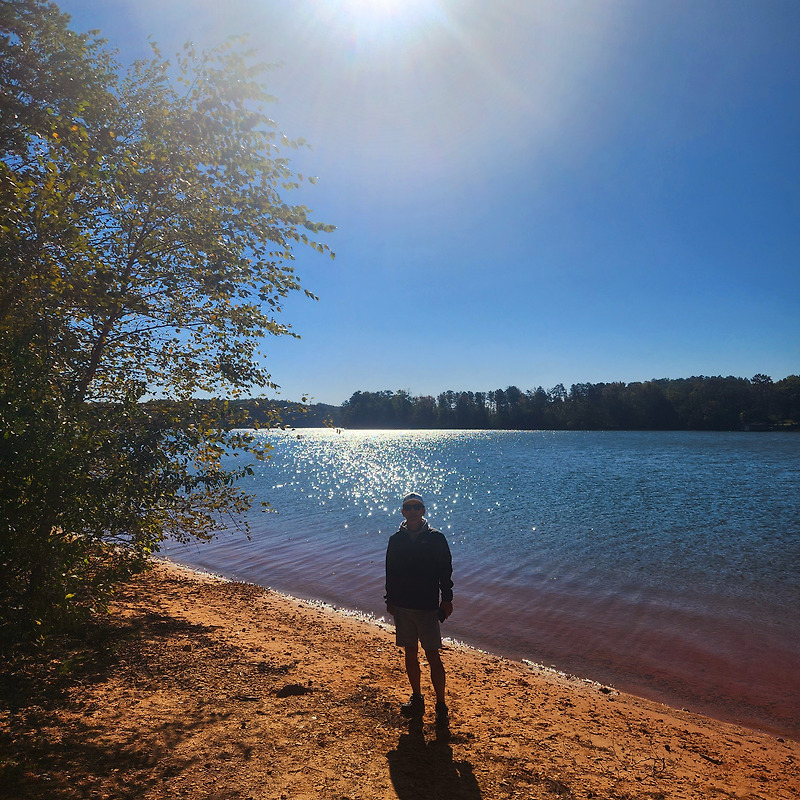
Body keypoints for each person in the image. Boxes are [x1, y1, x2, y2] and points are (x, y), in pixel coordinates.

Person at [385, 492, 454, 724]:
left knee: (433, 654)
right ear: (402, 512)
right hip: (403, 606)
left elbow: (445, 571)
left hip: (427, 607)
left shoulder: (436, 538)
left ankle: (441, 704)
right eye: (409, 507)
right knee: (410, 652)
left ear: (423, 511)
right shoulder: (396, 539)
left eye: (417, 507)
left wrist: (447, 599)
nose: (413, 511)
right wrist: (390, 600)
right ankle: (417, 697)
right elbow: (390, 571)